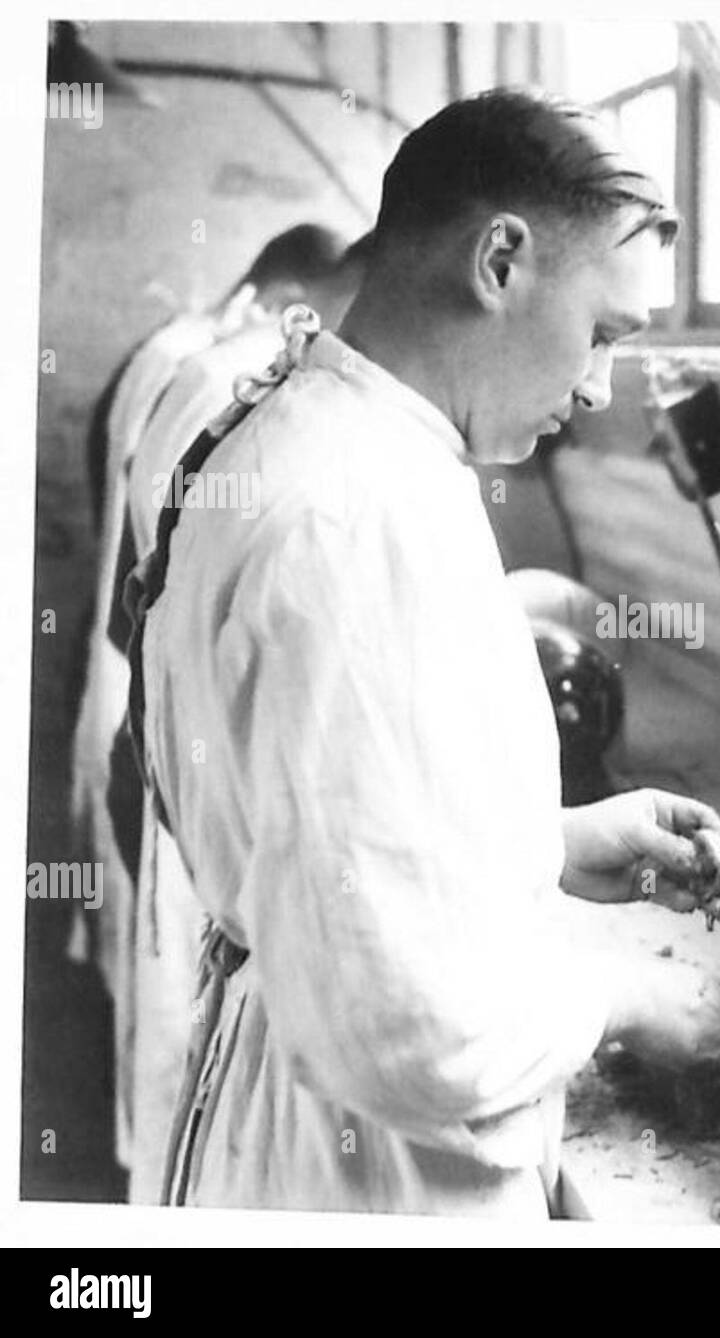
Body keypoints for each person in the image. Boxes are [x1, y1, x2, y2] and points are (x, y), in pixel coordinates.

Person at [130, 88, 720, 1217]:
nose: (598, 384)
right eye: (604, 332)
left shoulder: (320, 435)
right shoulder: (354, 520)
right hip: (366, 1174)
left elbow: (313, 828)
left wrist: (546, 841)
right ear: (501, 262)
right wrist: (620, 998)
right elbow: (402, 1027)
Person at [69, 222, 354, 1183]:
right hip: (187, 781)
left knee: (175, 1069)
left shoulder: (204, 369)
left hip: (156, 742)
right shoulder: (257, 400)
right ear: (292, 309)